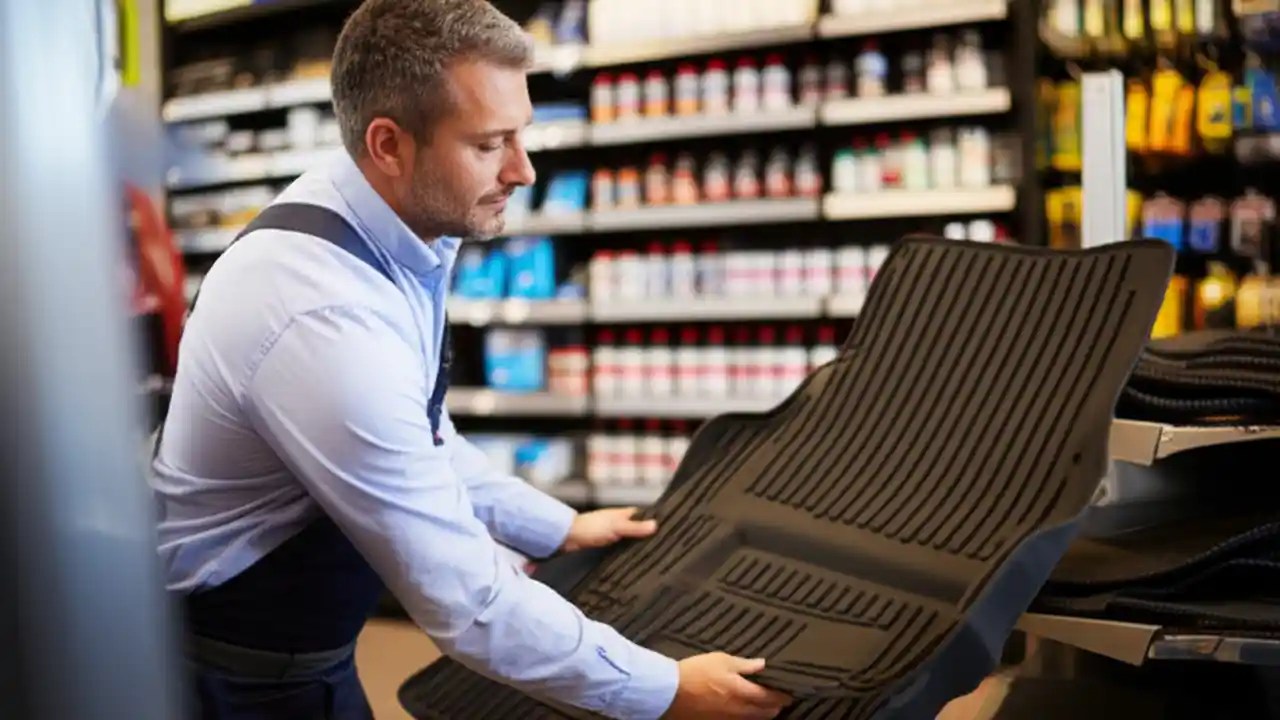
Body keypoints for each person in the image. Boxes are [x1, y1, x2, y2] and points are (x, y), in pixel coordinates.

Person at [149, 1, 793, 718]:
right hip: (228, 684)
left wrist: (555, 527)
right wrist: (666, 690)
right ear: (389, 145)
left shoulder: (388, 227)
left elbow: (417, 436)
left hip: (299, 658)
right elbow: (463, 599)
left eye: (522, 134)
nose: (523, 169)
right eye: (490, 144)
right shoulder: (324, 316)